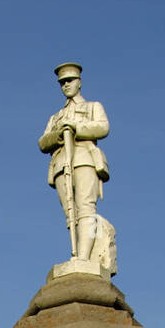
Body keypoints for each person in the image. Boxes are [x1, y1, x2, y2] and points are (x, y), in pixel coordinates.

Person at [38, 62, 110, 262]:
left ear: (79, 82)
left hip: (84, 158)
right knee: (70, 212)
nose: (66, 85)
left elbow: (103, 128)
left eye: (70, 81)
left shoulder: (92, 107)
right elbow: (42, 142)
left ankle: (84, 257)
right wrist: (58, 135)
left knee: (86, 207)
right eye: (62, 83)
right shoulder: (56, 117)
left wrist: (76, 126)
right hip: (61, 164)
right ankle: (76, 253)